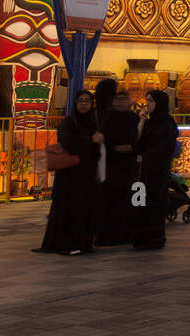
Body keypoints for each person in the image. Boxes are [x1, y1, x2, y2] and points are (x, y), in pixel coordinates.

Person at [34, 89, 102, 256]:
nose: (84, 104)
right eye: (80, 101)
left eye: (87, 101)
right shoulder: (69, 122)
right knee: (68, 208)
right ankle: (66, 244)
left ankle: (81, 243)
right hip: (70, 175)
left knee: (84, 208)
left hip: (86, 173)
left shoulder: (94, 123)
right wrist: (90, 140)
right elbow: (68, 143)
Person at [131, 90, 178, 250]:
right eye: (147, 101)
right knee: (140, 201)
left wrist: (152, 153)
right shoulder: (149, 122)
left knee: (156, 202)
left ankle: (155, 237)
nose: (147, 104)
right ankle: (140, 236)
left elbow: (168, 146)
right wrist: (142, 122)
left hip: (158, 170)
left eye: (151, 101)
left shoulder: (167, 123)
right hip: (144, 170)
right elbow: (137, 144)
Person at [96, 89, 140, 245]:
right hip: (111, 165)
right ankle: (109, 235)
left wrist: (131, 148)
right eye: (118, 99)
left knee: (131, 200)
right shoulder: (107, 119)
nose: (121, 102)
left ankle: (128, 233)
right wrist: (114, 147)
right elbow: (102, 139)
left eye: (124, 99)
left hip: (129, 165)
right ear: (113, 102)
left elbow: (140, 139)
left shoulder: (135, 119)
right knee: (110, 201)